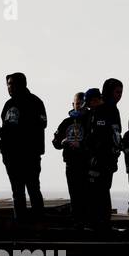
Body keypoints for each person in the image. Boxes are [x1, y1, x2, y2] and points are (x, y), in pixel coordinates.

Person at [0, 72, 48, 220]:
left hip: (30, 154)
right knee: (17, 191)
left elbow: (42, 124)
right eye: (8, 84)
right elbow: (5, 128)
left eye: (12, 83)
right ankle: (20, 223)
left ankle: (38, 223)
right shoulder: (8, 104)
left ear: (22, 84)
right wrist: (4, 150)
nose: (10, 87)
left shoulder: (35, 102)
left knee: (33, 189)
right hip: (11, 155)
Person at [82, 87, 120, 228]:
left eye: (89, 103)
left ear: (94, 100)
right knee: (95, 190)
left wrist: (99, 156)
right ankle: (96, 220)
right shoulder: (94, 113)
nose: (89, 107)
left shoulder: (107, 112)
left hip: (103, 159)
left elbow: (106, 137)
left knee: (102, 190)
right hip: (95, 158)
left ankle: (103, 222)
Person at [52, 92, 91, 222]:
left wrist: (82, 145)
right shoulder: (66, 122)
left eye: (82, 104)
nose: (79, 106)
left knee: (87, 195)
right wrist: (62, 142)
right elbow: (55, 142)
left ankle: (87, 221)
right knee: (74, 195)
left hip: (87, 164)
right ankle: (77, 222)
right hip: (71, 163)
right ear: (73, 104)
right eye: (77, 103)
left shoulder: (91, 120)